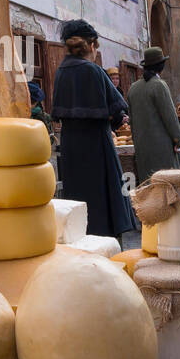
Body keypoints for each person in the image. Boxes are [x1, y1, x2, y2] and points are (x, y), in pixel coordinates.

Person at [50, 19, 135, 237]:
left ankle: (81, 241)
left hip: (71, 149)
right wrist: (117, 120)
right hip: (98, 146)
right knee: (104, 201)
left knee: (79, 200)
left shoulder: (61, 72)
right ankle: (108, 247)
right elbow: (118, 112)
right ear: (92, 45)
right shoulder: (94, 71)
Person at [126, 46, 180, 184]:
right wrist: (179, 140)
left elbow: (132, 122)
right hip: (162, 148)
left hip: (142, 149)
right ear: (161, 66)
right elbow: (170, 117)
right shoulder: (159, 85)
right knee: (167, 187)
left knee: (148, 188)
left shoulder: (133, 88)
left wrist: (137, 144)